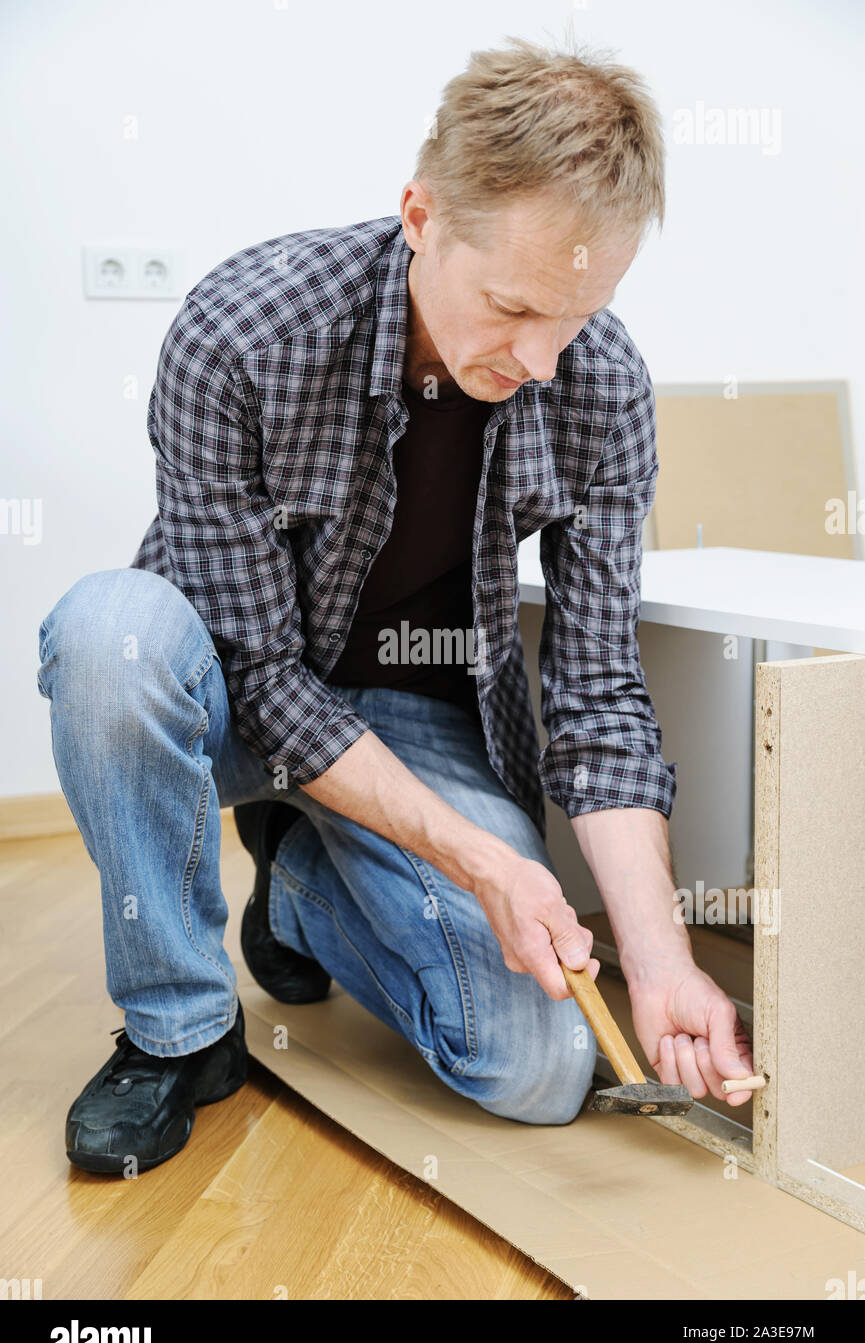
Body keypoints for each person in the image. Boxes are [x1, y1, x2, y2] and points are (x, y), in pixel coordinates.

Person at [36, 36, 753, 1175]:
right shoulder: (245, 333)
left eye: (576, 314)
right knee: (106, 638)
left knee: (539, 1067)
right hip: (224, 687)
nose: (540, 360)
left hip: (415, 711)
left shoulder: (599, 385)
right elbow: (263, 684)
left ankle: (300, 890)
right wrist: (477, 861)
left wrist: (658, 960)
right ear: (420, 215)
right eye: (511, 307)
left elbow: (598, 697)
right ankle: (181, 1031)